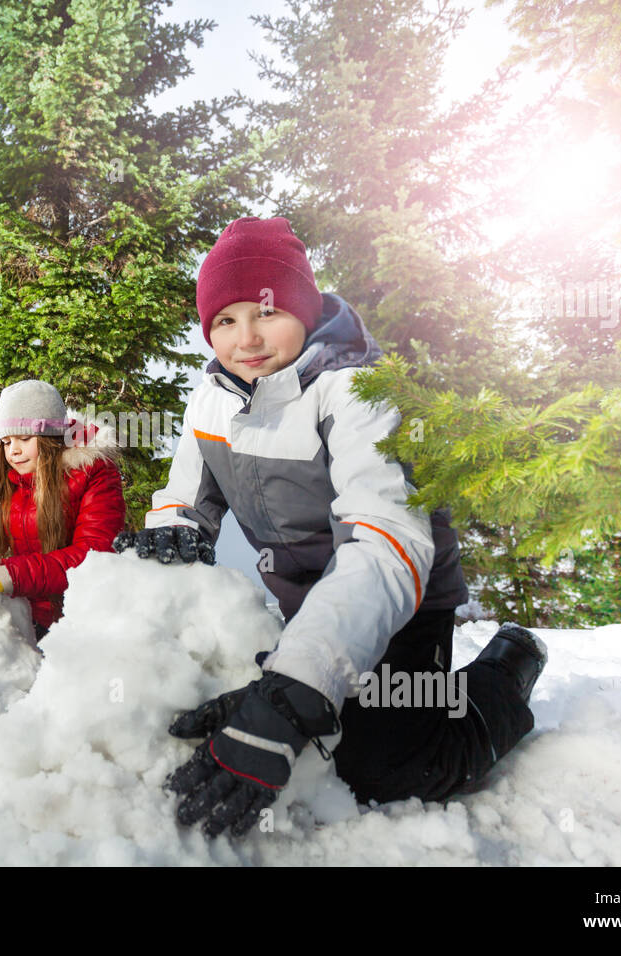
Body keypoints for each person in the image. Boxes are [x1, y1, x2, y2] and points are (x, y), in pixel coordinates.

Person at [115, 216, 548, 837]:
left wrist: (297, 687)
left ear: (304, 308)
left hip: (400, 599)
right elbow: (188, 495)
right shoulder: (210, 397)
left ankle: (503, 672)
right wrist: (177, 526)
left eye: (266, 313)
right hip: (307, 600)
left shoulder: (355, 391)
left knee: (378, 765)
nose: (247, 339)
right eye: (225, 321)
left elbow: (384, 542)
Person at [0, 380, 126, 642]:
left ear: (51, 438)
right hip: (27, 610)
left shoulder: (92, 472)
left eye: (24, 438)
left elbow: (95, 555)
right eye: (6, 442)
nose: (14, 451)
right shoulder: (4, 478)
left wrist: (14, 574)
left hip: (79, 621)